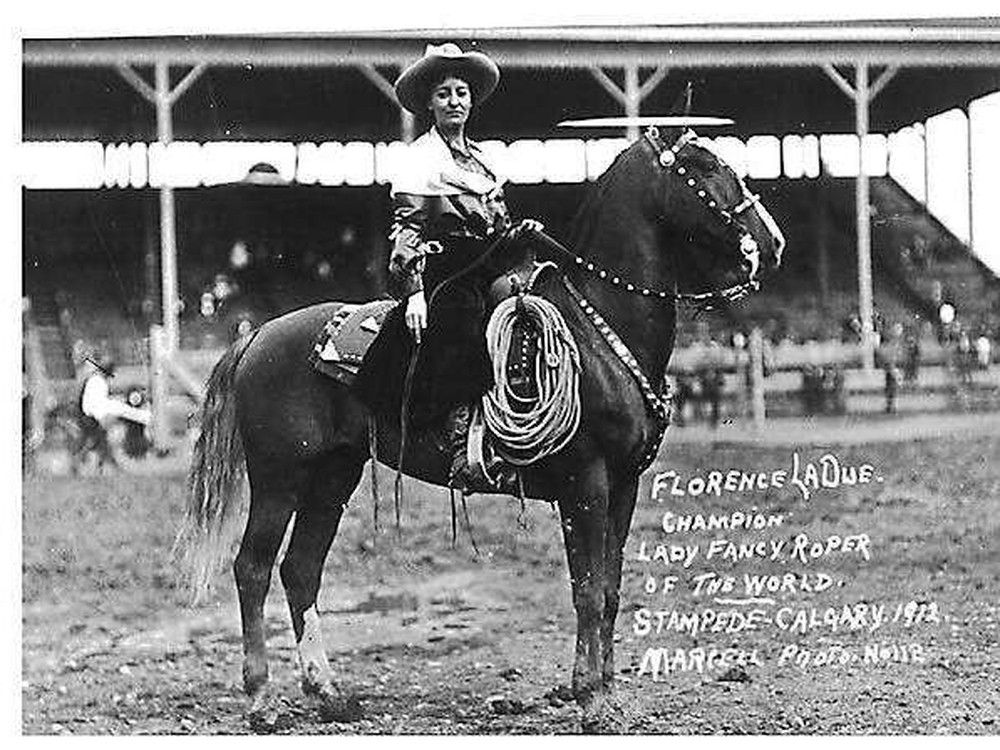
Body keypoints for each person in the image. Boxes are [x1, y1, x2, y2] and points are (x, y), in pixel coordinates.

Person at [355, 43, 540, 489]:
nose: (454, 101)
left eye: (461, 92)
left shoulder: (485, 160)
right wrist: (414, 290)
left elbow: (498, 226)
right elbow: (407, 230)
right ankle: (463, 440)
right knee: (462, 322)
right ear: (430, 104)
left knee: (538, 312)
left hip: (490, 265)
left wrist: (521, 233)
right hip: (444, 271)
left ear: (472, 99)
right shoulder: (420, 159)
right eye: (444, 94)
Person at [76, 355, 151, 471]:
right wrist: (103, 417)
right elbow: (94, 406)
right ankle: (149, 420)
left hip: (93, 417)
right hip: (93, 418)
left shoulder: (96, 380)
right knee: (123, 410)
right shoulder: (97, 381)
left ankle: (106, 465)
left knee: (122, 411)